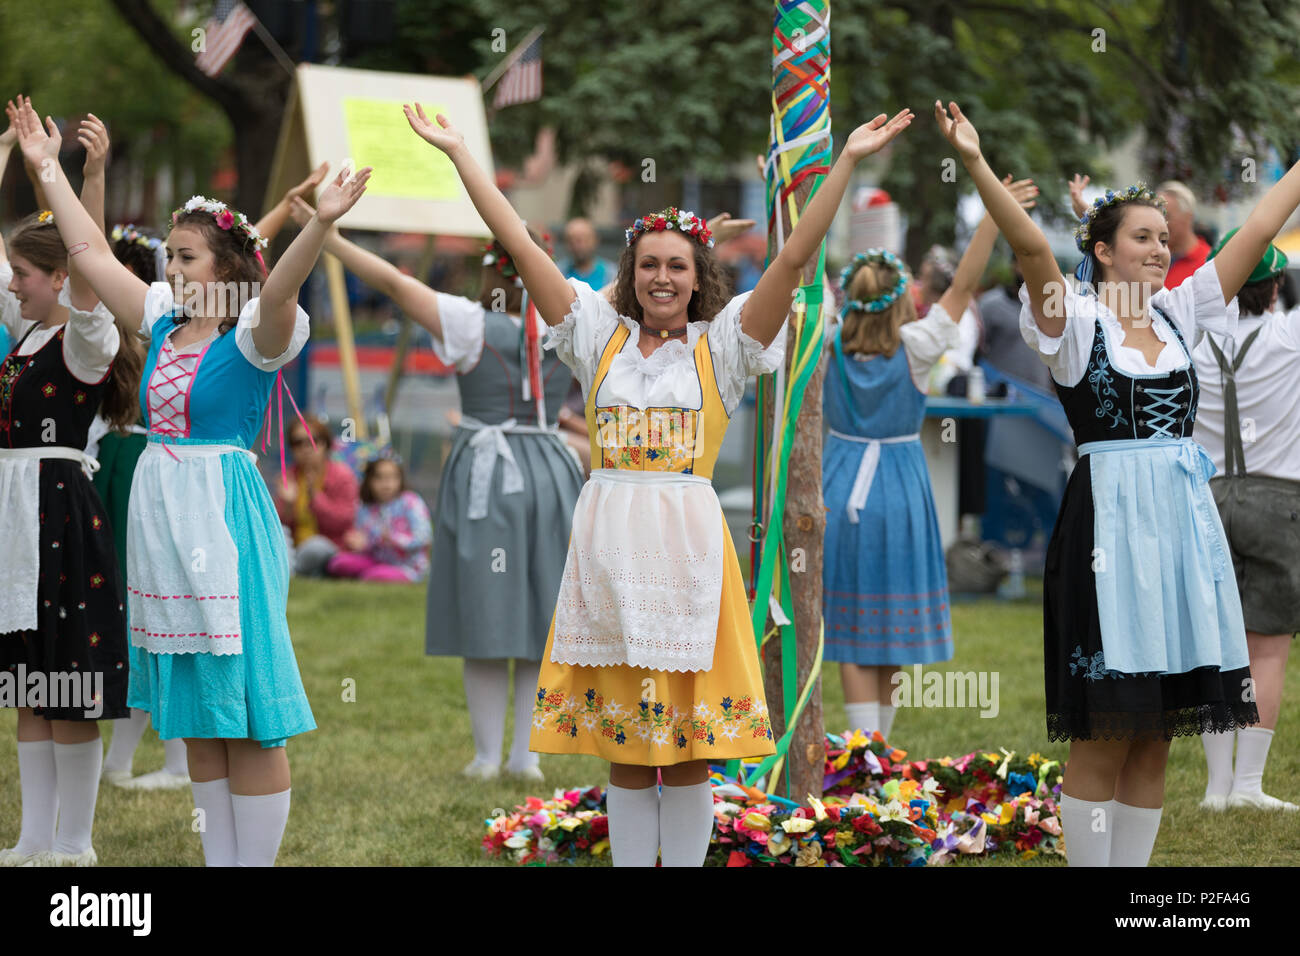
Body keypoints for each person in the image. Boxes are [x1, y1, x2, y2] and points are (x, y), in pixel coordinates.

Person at [405, 98, 914, 866]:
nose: (662, 277)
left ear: (699, 273)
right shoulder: (594, 334)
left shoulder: (726, 345)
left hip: (688, 555)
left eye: (677, 264)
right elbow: (514, 234)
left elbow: (791, 261)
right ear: (631, 272)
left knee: (688, 745)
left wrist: (842, 164)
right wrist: (458, 156)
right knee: (625, 742)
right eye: (649, 264)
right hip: (609, 547)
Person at [937, 97, 1300, 866]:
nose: (1160, 249)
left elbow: (1261, 227)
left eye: (1165, 238)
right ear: (1102, 251)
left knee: (1156, 734)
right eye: (1143, 237)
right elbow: (1034, 250)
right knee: (1106, 730)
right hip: (1108, 529)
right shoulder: (1073, 325)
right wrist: (973, 162)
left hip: (1180, 528)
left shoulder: (1178, 313)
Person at [14, 94, 372, 866]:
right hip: (163, 513)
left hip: (224, 515)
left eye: (186, 256)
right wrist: (50, 169)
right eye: (170, 256)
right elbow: (89, 256)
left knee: (248, 705)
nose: (171, 267)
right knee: (200, 707)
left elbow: (278, 292)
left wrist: (319, 223)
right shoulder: (166, 319)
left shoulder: (256, 330)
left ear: (227, 266)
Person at [281, 197, 584, 781]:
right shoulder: (570, 318)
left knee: (487, 612)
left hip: (487, 475)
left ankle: (486, 755)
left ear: (491, 270)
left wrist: (328, 235)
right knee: (543, 610)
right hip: (550, 469)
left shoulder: (470, 321)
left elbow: (393, 281)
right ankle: (527, 756)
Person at [826, 177, 1038, 742]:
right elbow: (965, 283)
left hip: (838, 481)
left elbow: (800, 271)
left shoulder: (824, 346)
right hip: (898, 484)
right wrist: (994, 214)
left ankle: (859, 746)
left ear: (847, 297)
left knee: (849, 622)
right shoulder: (918, 345)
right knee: (888, 620)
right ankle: (879, 746)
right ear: (903, 298)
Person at [0, 102, 133, 867]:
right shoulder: (21, 333)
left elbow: (90, 261)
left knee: (68, 684)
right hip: (17, 519)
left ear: (57, 278)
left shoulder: (86, 341)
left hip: (60, 516)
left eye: (23, 274)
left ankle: (75, 845)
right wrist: (19, 160)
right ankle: (32, 838)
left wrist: (85, 173)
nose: (13, 284)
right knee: (27, 684)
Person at [1191, 230, 1298, 812]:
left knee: (1214, 644)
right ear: (1277, 285)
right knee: (1268, 646)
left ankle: (1215, 787)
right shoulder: (1292, 332)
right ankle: (1249, 785)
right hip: (1277, 495)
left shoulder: (1192, 333)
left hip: (1205, 492)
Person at [273, 414, 359, 577]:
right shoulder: (289, 476)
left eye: (313, 441)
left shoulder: (342, 475)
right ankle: (295, 569)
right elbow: (278, 528)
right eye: (298, 443)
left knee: (315, 547)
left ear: (326, 445)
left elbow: (343, 521)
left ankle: (291, 571)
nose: (306, 448)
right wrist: (289, 505)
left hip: (330, 547)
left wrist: (315, 498)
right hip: (295, 547)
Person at [325, 455, 432, 583]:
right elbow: (365, 540)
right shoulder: (364, 507)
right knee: (338, 564)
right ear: (369, 480)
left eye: (393, 477)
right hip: (374, 560)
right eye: (379, 477)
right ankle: (368, 573)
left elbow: (424, 537)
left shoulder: (411, 502)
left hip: (407, 566)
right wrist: (359, 543)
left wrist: (394, 539)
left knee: (373, 576)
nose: (386, 483)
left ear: (401, 479)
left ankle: (371, 575)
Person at [559, 217, 617, 290]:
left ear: (595, 240)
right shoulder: (559, 273)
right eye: (571, 240)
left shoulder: (611, 274)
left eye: (583, 239)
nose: (577, 246)